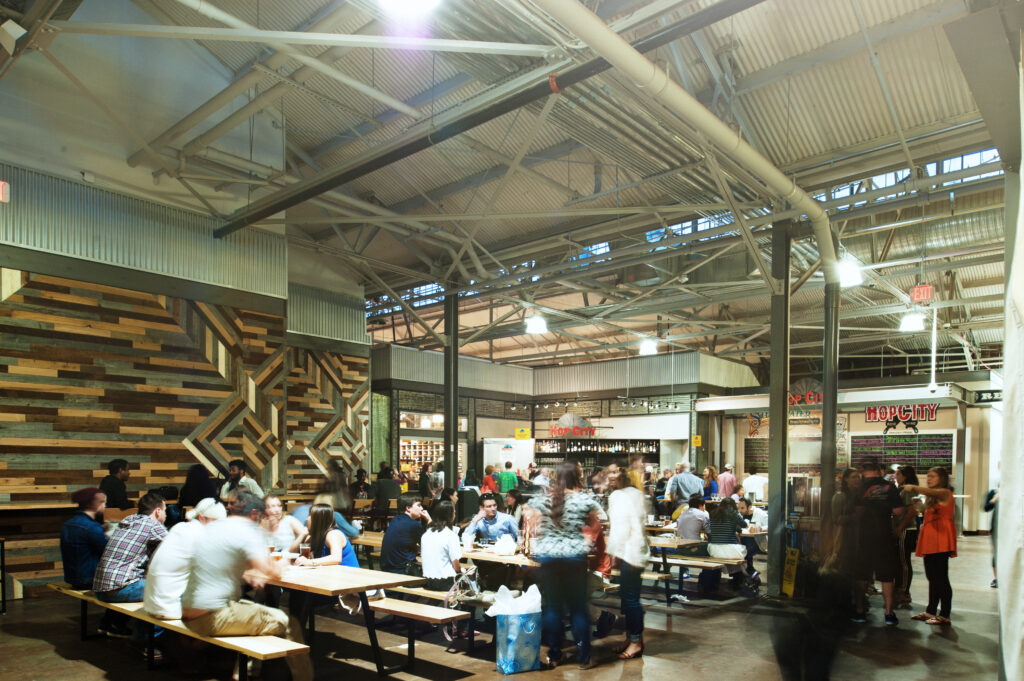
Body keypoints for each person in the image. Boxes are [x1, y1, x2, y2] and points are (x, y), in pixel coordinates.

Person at [181, 490, 312, 681]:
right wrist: (282, 562)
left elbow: (225, 562)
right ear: (254, 513)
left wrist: (247, 574)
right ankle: (303, 678)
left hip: (187, 609)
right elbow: (272, 571)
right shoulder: (245, 531)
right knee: (285, 622)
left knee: (256, 613)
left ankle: (244, 672)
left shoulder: (215, 527)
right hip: (210, 616)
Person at [524, 461, 602, 670]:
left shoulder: (545, 499)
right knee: (578, 608)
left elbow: (531, 520)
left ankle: (555, 655)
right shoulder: (584, 500)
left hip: (549, 557)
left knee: (553, 608)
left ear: (556, 477)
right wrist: (587, 539)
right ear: (577, 476)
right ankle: (584, 658)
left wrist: (544, 534)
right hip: (574, 557)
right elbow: (597, 524)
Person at [61, 487, 130, 637]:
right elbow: (107, 553)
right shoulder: (91, 528)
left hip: (72, 576)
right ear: (94, 504)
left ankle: (107, 623)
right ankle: (116, 625)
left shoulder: (69, 524)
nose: (105, 506)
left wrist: (101, 531)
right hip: (88, 578)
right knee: (127, 584)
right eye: (103, 502)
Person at [144, 498, 226, 620]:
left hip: (152, 603)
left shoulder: (179, 527)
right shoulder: (201, 536)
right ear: (201, 517)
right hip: (170, 607)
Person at [605, 462, 649, 660]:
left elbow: (627, 527)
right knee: (627, 598)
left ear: (623, 473)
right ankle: (631, 638)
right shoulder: (625, 494)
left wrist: (613, 552)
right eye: (608, 473)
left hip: (632, 552)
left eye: (614, 472)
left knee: (631, 599)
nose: (610, 476)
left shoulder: (623, 495)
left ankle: (636, 642)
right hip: (628, 552)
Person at [852, 461, 903, 626]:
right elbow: (898, 511)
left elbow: (856, 513)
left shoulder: (859, 488)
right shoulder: (889, 486)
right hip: (884, 536)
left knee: (861, 575)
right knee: (887, 576)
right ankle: (889, 613)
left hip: (864, 537)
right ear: (878, 470)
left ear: (863, 471)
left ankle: (859, 611)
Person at [94, 492, 168, 604]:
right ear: (158, 511)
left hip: (100, 590)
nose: (166, 515)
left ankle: (113, 617)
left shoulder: (128, 521)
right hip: (120, 590)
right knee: (175, 587)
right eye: (165, 511)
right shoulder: (153, 525)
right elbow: (175, 546)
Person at [906, 466, 956, 626]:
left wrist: (913, 487)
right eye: (928, 476)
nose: (929, 479)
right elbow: (929, 513)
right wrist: (920, 507)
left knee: (941, 577)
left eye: (933, 476)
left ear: (941, 478)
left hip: (940, 539)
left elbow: (931, 493)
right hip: (931, 538)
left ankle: (945, 614)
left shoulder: (944, 493)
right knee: (932, 577)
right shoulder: (932, 497)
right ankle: (931, 610)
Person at [291, 503, 359, 567]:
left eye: (310, 516)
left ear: (318, 520)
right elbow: (292, 554)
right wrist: (302, 535)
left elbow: (336, 559)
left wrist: (309, 562)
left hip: (347, 574)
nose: (307, 519)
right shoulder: (314, 537)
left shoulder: (333, 534)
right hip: (330, 573)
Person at [380, 493, 430, 575]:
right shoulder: (413, 525)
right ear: (408, 508)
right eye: (419, 505)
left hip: (387, 569)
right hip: (403, 571)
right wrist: (429, 520)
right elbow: (430, 546)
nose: (422, 508)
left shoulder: (395, 519)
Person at [893, 465, 921, 609]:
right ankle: (899, 589)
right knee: (899, 561)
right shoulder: (901, 490)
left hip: (906, 529)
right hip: (901, 529)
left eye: (898, 474)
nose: (896, 476)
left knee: (904, 562)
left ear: (905, 476)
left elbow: (911, 511)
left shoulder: (909, 491)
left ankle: (904, 591)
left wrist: (900, 527)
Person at [420, 500, 463, 591]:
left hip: (428, 580)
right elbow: (456, 566)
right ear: (451, 516)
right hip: (446, 581)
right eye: (454, 512)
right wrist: (462, 572)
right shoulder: (451, 535)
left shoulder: (426, 534)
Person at [984, 486, 998, 588]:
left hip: (1013, 529)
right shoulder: (994, 491)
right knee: (996, 553)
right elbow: (986, 507)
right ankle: (997, 578)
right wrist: (994, 500)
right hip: (996, 528)